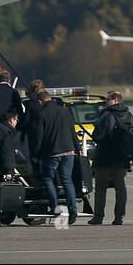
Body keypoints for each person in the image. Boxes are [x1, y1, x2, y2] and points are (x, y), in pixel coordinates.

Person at [29, 89, 80, 224]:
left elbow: (38, 137)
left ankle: (55, 207)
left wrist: (35, 154)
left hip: (52, 152)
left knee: (47, 179)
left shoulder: (42, 114)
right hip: (68, 151)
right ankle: (73, 209)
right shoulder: (64, 111)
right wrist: (77, 147)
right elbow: (72, 130)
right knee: (67, 180)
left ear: (40, 101)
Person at [88, 90, 133, 225]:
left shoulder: (107, 115)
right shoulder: (129, 115)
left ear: (114, 100)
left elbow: (99, 135)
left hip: (105, 157)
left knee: (101, 188)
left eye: (108, 99)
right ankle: (119, 216)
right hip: (123, 158)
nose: (106, 102)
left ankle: (98, 216)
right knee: (121, 188)